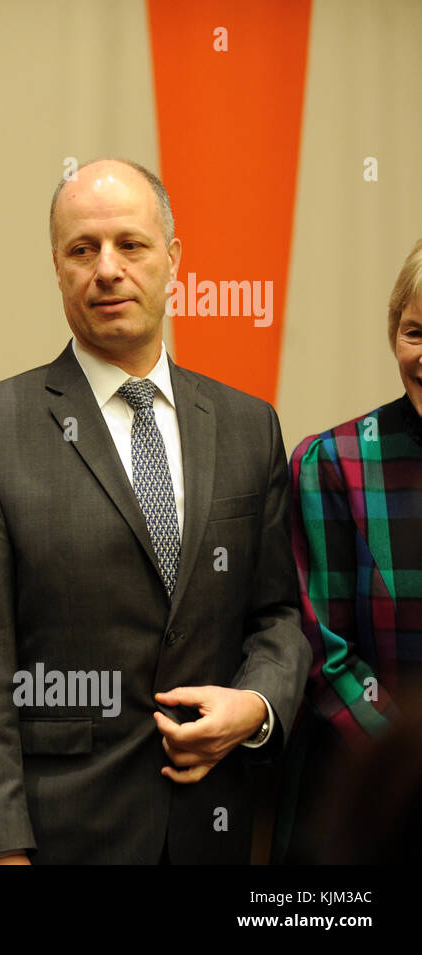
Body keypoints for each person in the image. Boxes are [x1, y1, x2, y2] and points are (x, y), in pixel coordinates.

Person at [0, 158, 311, 864]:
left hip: (207, 825)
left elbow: (278, 616)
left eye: (130, 245)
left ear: (172, 260)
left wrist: (255, 707)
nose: (107, 269)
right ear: (57, 268)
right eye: (82, 249)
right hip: (52, 837)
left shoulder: (248, 425)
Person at [277, 238, 422, 863]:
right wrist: (407, 770)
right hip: (370, 803)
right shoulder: (333, 461)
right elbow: (326, 655)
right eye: (416, 332)